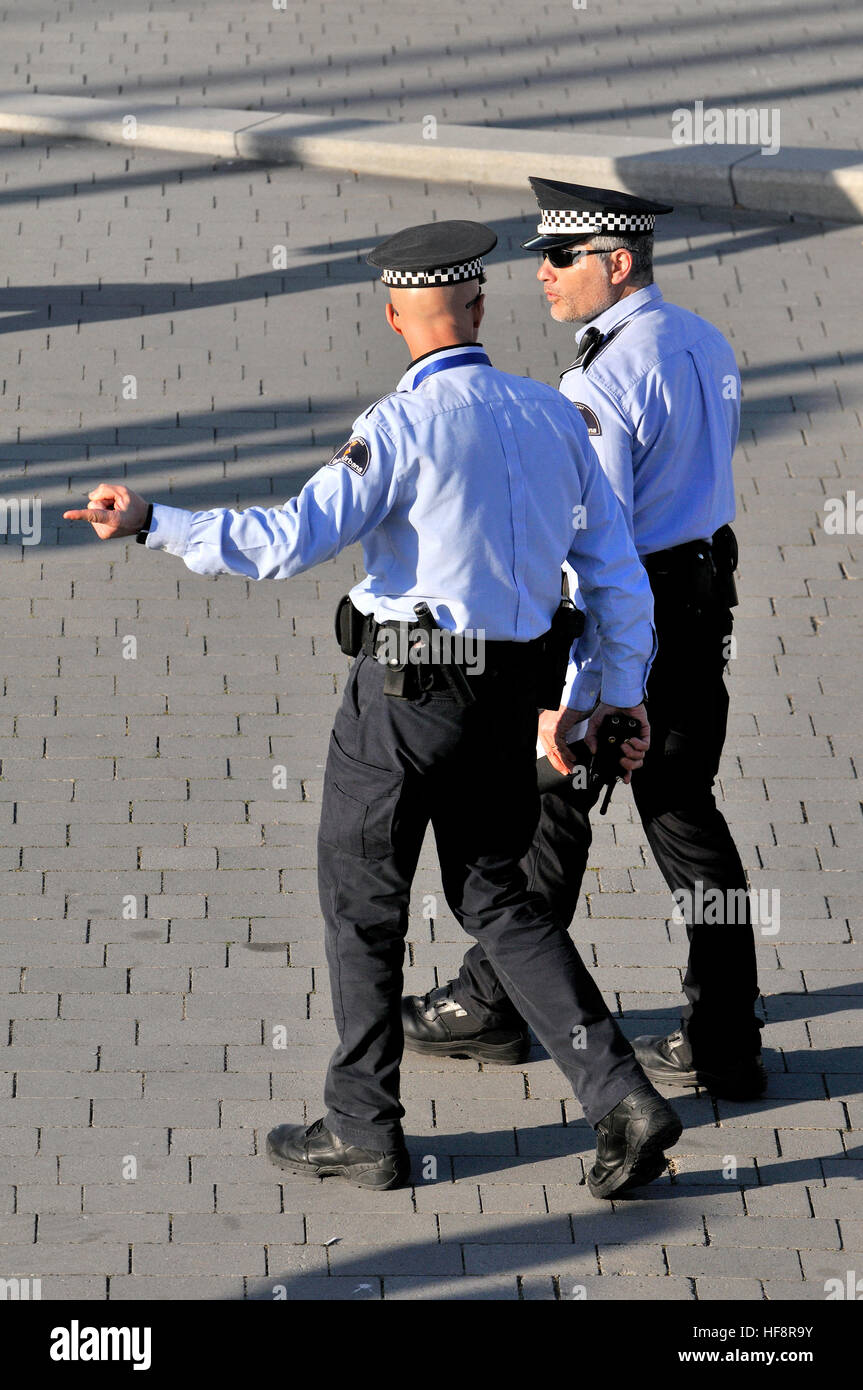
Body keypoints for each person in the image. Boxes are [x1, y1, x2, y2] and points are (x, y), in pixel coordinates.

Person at [64, 218, 682, 1198]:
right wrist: (613, 699)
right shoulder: (552, 417)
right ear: (477, 307)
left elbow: (280, 541)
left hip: (402, 701)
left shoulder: (394, 428)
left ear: (395, 314)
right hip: (510, 692)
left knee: (361, 904)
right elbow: (612, 578)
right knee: (495, 894)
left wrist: (151, 521)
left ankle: (363, 1128)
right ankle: (622, 1100)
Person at [403, 181, 765, 1102]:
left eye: (560, 258)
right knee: (678, 821)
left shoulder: (599, 379)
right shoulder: (702, 340)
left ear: (616, 262)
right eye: (540, 256)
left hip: (629, 626)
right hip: (699, 608)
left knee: (555, 804)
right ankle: (722, 1036)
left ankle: (498, 1007)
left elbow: (592, 540)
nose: (543, 274)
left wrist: (577, 685)